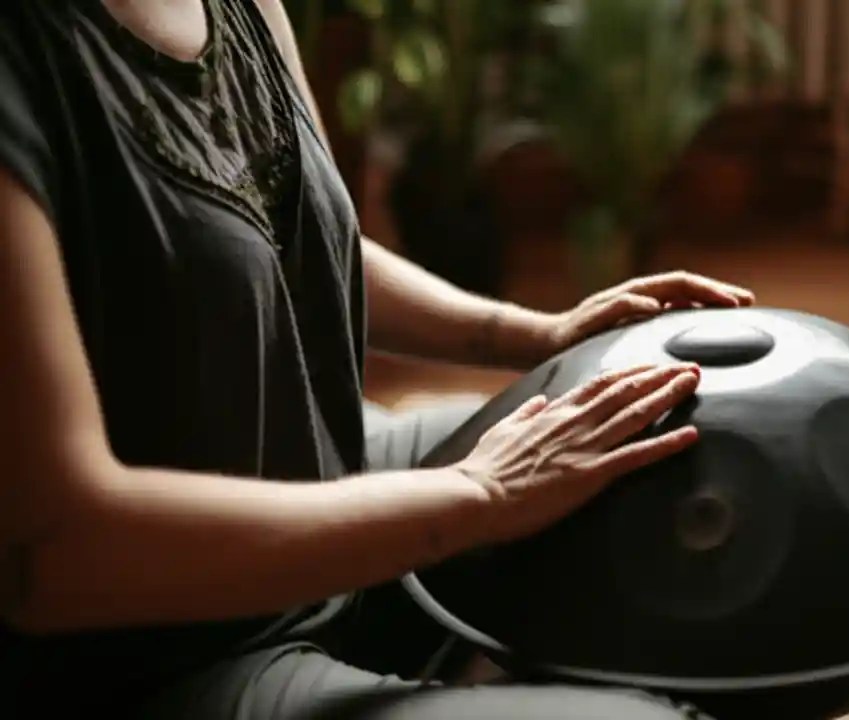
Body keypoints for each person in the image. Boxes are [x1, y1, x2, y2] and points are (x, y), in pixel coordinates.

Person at [0, 1, 757, 716]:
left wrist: (540, 335)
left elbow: (297, 229)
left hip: (333, 472)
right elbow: (57, 553)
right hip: (178, 654)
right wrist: (479, 495)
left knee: (678, 460)